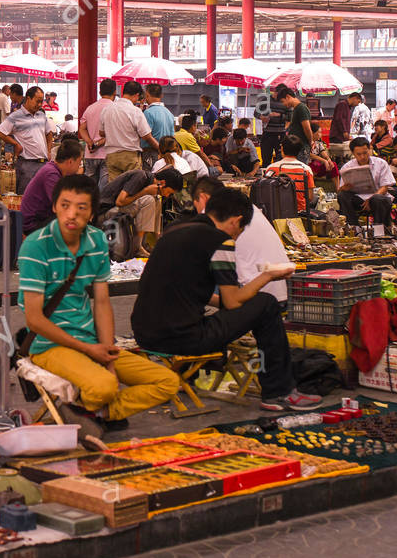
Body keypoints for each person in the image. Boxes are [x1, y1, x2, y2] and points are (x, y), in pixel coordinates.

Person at [131, 187, 320, 412]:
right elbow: (232, 301)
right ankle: (278, 391)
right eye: (240, 231)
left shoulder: (174, 230)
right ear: (236, 221)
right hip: (182, 338)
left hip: (144, 333)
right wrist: (268, 275)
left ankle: (191, 374)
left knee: (240, 308)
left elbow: (185, 290)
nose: (237, 236)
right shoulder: (220, 240)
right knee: (267, 304)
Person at [18, 173, 179, 434]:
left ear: (93, 213)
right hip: (49, 346)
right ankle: (96, 409)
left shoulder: (94, 241)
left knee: (167, 381)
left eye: (81, 208)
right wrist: (89, 350)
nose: (72, 214)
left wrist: (108, 355)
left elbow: (102, 303)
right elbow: (34, 319)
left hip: (91, 341)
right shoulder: (36, 247)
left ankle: (97, 412)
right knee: (105, 386)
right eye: (65, 205)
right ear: (54, 206)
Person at [191, 177, 291, 306]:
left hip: (256, 294)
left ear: (203, 197)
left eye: (196, 206)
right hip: (278, 293)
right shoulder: (246, 207)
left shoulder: (213, 216)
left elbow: (230, 301)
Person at [100, 167, 183, 254]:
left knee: (156, 199)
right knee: (149, 200)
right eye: (169, 192)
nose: (167, 195)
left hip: (118, 211)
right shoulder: (140, 176)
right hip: (106, 212)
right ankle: (138, 247)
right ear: (162, 182)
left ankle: (158, 241)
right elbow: (119, 201)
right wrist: (145, 192)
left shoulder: (150, 182)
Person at [0, 86, 54, 192]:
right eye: (37, 101)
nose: (40, 105)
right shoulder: (15, 116)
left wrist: (49, 151)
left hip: (44, 163)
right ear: (28, 98)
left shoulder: (41, 115)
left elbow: (49, 133)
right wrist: (15, 144)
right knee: (25, 196)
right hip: (27, 164)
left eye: (41, 101)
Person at [20, 139, 84, 235]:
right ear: (70, 162)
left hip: (43, 218)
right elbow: (61, 204)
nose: (80, 165)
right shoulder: (51, 174)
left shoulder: (55, 170)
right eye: (79, 161)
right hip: (33, 224)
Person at [101, 80, 158, 179]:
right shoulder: (135, 111)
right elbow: (146, 136)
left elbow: (101, 133)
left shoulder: (107, 109)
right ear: (136, 95)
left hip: (111, 155)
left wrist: (114, 132)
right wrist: (159, 148)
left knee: (114, 188)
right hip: (130, 156)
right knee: (132, 188)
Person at [337, 137, 395, 231]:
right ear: (353, 154)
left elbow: (385, 186)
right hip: (358, 199)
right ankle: (354, 229)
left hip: (377, 197)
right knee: (342, 195)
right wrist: (344, 188)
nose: (362, 157)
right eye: (358, 154)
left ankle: (379, 232)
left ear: (370, 150)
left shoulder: (381, 163)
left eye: (365, 153)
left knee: (378, 199)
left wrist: (371, 198)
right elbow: (339, 190)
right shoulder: (347, 167)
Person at [77, 79, 116, 190]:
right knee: (104, 190)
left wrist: (89, 142)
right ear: (114, 92)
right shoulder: (115, 108)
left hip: (90, 154)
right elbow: (113, 132)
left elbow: (82, 128)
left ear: (100, 92)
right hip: (107, 154)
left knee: (88, 189)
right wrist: (99, 143)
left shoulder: (90, 108)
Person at [264, 135, 314, 215]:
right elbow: (310, 197)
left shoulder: (271, 168)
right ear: (299, 151)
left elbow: (266, 194)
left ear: (282, 149)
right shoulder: (306, 169)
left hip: (275, 214)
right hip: (299, 214)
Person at [141, 84, 175, 164]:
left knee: (151, 175)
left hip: (151, 154)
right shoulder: (169, 113)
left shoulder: (148, 113)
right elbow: (172, 137)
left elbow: (147, 136)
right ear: (161, 95)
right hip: (167, 155)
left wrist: (160, 149)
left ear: (147, 95)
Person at [274, 84, 314, 149]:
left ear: (287, 97)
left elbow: (307, 128)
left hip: (301, 147)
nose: (283, 104)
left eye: (283, 101)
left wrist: (310, 142)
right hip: (296, 147)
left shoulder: (301, 108)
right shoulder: (296, 108)